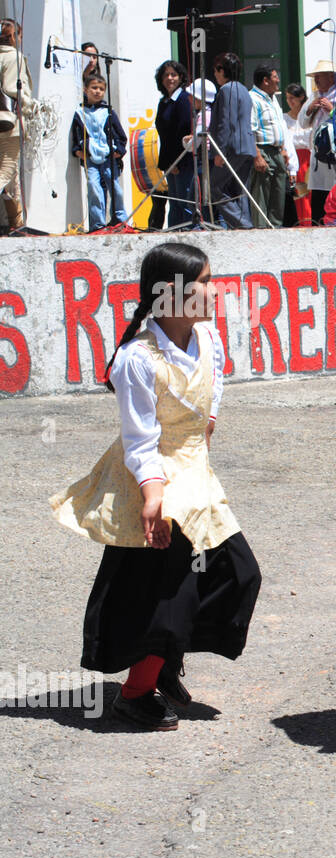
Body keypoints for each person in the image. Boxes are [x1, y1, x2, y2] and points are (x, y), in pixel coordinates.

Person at [49, 243, 261, 731]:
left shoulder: (207, 337)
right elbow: (138, 439)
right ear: (172, 295)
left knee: (239, 573)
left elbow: (216, 379)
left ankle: (165, 660)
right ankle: (136, 691)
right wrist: (152, 496)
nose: (214, 289)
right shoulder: (136, 359)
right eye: (204, 281)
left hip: (197, 475)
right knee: (174, 591)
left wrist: (207, 418)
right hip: (160, 482)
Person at [70, 72, 128, 231]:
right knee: (94, 187)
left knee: (115, 188)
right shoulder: (79, 113)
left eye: (101, 89)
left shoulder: (108, 111)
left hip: (109, 158)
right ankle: (97, 224)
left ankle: (119, 220)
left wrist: (119, 150)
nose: (97, 91)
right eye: (94, 88)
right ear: (85, 89)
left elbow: (120, 134)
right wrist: (77, 151)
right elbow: (76, 135)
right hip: (91, 158)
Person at [209, 52, 255, 230]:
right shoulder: (244, 89)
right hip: (247, 146)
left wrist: (219, 151)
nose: (215, 74)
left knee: (214, 187)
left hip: (232, 147)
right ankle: (243, 225)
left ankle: (242, 224)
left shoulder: (226, 90)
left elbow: (225, 122)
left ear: (222, 70)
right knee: (240, 190)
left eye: (216, 70)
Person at [0, 18, 36, 232]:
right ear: (14, 36)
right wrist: (31, 105)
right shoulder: (13, 56)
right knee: (6, 171)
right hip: (7, 122)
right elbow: (13, 89)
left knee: (11, 179)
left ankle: (17, 224)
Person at [248, 65, 291, 229]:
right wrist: (257, 156)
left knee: (278, 194)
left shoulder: (272, 99)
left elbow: (278, 125)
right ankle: (261, 230)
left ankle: (275, 228)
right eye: (275, 77)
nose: (278, 80)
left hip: (276, 151)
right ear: (265, 81)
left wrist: (283, 149)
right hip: (262, 150)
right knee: (262, 194)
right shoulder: (253, 98)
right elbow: (250, 129)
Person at [151, 59, 192, 229]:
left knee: (184, 200)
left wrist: (176, 162)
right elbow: (164, 134)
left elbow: (182, 131)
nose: (170, 78)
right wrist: (167, 162)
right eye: (166, 75)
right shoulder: (164, 102)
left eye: (173, 75)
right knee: (174, 202)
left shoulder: (183, 99)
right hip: (169, 161)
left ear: (181, 77)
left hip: (182, 160)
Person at [304, 61, 336, 224]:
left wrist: (332, 110)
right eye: (315, 77)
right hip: (317, 158)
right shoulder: (314, 96)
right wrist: (310, 109)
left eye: (319, 77)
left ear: (331, 77)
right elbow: (302, 122)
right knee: (318, 200)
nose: (316, 81)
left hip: (335, 156)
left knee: (334, 198)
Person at [281, 82, 313, 227]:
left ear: (301, 98)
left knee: (308, 196)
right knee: (295, 195)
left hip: (307, 160)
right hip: (292, 159)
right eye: (287, 98)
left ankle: (309, 223)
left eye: (293, 98)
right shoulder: (284, 118)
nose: (290, 101)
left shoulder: (309, 118)